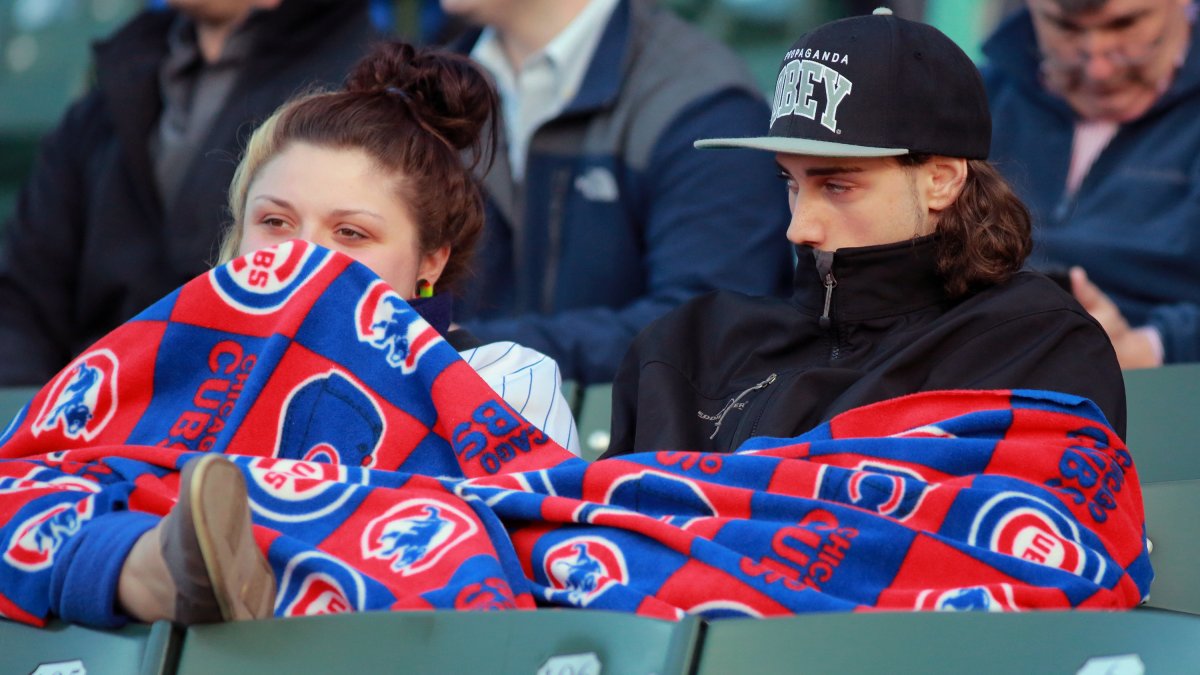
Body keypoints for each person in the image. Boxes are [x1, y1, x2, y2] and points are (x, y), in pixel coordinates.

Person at [37, 41, 580, 627]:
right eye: (275, 223)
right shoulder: (169, 363)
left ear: (430, 262)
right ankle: (161, 571)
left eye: (350, 233)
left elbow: (520, 599)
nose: (305, 259)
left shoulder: (501, 378)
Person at [600, 7, 1126, 458]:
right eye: (791, 182)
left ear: (941, 179)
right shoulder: (689, 342)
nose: (798, 227)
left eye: (838, 186)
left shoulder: (1033, 346)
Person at [0, 0, 376, 386]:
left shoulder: (370, 88)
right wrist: (34, 421)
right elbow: (23, 298)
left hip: (259, 409)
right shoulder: (113, 85)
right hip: (85, 415)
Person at [442, 0, 795, 385]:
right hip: (453, 425)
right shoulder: (426, 85)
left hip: (626, 438)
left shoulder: (703, 103)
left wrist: (465, 348)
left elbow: (712, 329)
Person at [982, 0, 1200, 368]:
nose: (1098, 68)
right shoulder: (976, 98)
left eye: (1126, 25)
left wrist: (1153, 347)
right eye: (1066, 29)